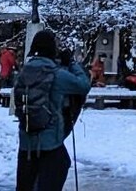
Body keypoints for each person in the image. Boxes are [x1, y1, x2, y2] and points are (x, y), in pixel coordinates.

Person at [14, 30, 91, 191]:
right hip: (50, 142)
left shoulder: (23, 73)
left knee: (27, 185)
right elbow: (83, 85)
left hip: (27, 141)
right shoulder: (57, 75)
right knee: (59, 167)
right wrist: (71, 63)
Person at [0, 42, 18, 107]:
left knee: (3, 87)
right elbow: (12, 62)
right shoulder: (9, 54)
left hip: (3, 72)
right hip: (8, 73)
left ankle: (2, 102)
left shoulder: (3, 54)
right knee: (8, 88)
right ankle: (7, 103)